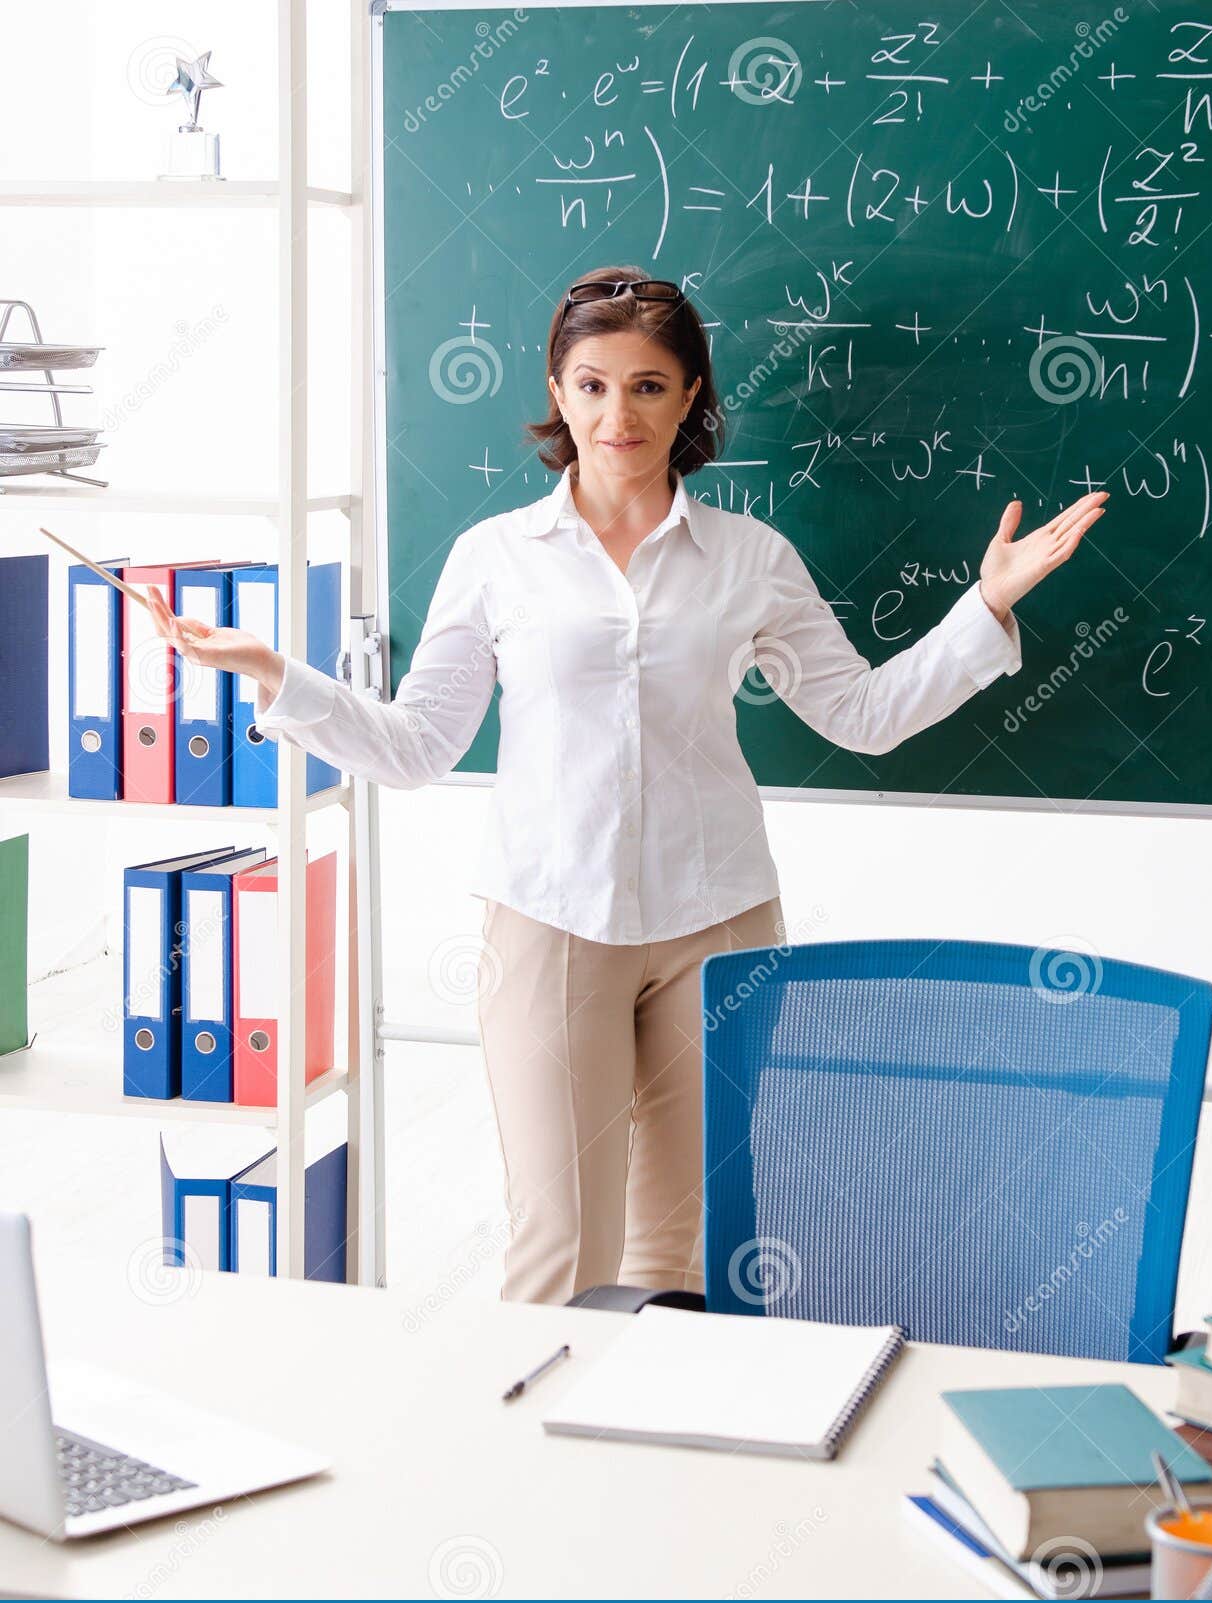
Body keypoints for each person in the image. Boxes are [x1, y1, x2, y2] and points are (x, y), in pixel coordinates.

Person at [146, 263, 1108, 1306]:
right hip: (550, 920)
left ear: (690, 395)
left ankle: (664, 1457)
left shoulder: (750, 558)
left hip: (720, 923)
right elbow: (421, 745)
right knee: (561, 1248)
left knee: (690, 1253)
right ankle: (527, 1462)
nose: (619, 413)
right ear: (557, 393)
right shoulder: (495, 557)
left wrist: (985, 610)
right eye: (593, 384)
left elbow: (860, 717)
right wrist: (273, 674)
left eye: (649, 385)